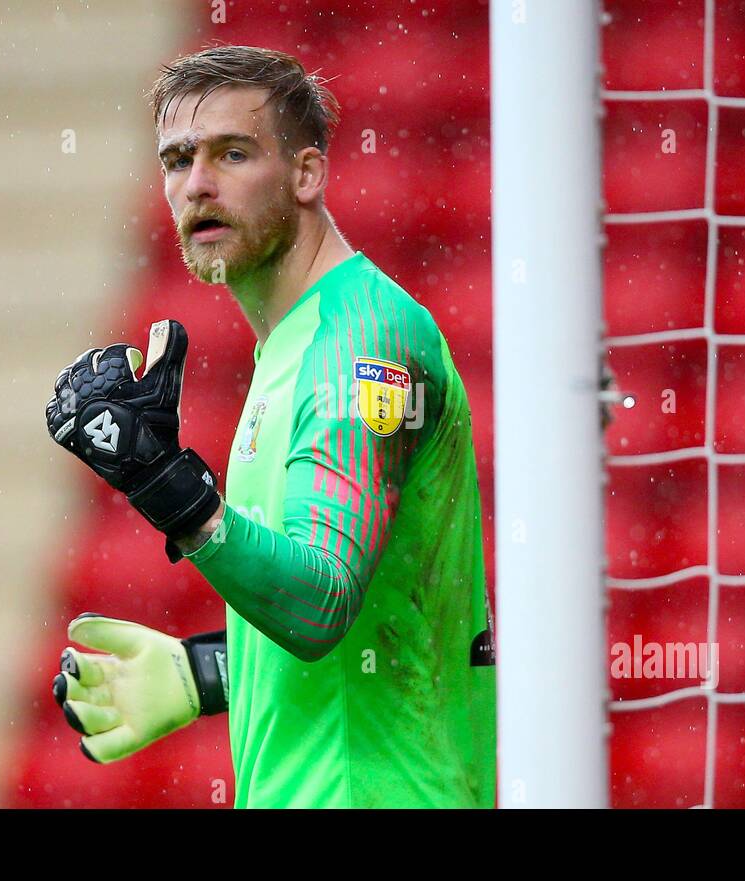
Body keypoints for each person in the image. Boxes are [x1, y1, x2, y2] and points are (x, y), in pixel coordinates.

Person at [44, 45, 494, 809]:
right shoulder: (297, 343)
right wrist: (207, 672)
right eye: (179, 159)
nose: (199, 184)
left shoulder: (361, 343)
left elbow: (321, 601)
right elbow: (369, 624)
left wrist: (170, 487)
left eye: (233, 153)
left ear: (307, 174)